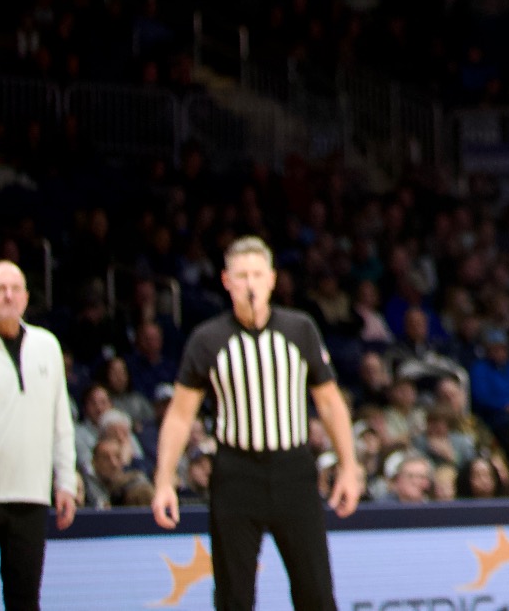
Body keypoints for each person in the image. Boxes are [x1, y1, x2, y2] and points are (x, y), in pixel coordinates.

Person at [152, 237, 362, 611]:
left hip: (293, 470)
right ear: (226, 281)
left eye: (257, 274)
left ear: (272, 279)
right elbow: (181, 414)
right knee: (234, 596)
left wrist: (349, 466)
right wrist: (164, 480)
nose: (250, 283)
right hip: (236, 473)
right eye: (241, 275)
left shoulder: (300, 330)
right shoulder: (208, 339)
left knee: (315, 591)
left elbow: (329, 402)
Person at [0, 261, 79, 611]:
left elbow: (61, 420)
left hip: (32, 494)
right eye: (0, 289)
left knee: (25, 599)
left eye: (15, 289)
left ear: (27, 297)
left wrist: (65, 481)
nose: (8, 296)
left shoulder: (47, 345)